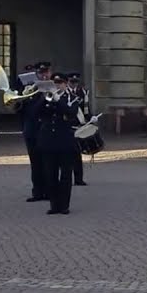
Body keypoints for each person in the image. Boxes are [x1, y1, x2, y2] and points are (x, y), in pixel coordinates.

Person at [38, 73, 82, 215]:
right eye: (55, 82)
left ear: (65, 84)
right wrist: (43, 98)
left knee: (65, 175)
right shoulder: (46, 98)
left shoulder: (72, 98)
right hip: (48, 141)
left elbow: (71, 114)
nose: (57, 85)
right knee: (50, 175)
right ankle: (54, 205)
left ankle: (64, 205)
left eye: (60, 82)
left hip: (65, 142)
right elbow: (36, 113)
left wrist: (58, 100)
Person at [18, 61, 51, 202]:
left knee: (48, 163)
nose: (44, 76)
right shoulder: (29, 89)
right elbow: (23, 110)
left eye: (46, 73)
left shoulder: (53, 87)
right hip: (31, 130)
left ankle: (49, 191)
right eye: (40, 73)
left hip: (47, 130)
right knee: (35, 162)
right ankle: (37, 192)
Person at [66, 72, 89, 186]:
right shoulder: (65, 93)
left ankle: (78, 179)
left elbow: (85, 108)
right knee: (67, 154)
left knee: (77, 154)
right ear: (68, 81)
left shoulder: (82, 92)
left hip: (78, 125)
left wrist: (89, 119)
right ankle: (67, 178)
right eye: (72, 82)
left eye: (76, 82)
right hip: (67, 126)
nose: (74, 84)